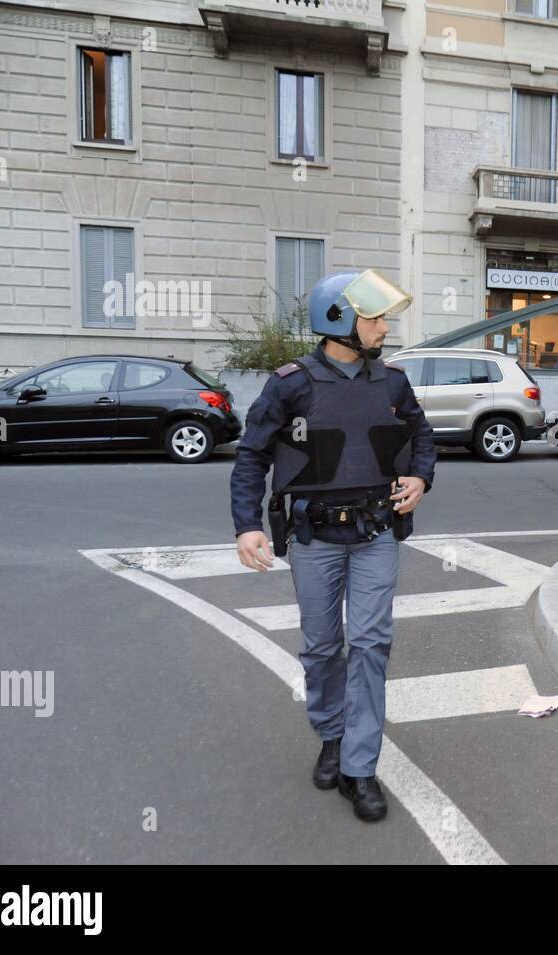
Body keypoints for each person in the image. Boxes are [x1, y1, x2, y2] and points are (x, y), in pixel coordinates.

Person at [230, 268, 435, 822]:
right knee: (322, 648)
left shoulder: (391, 381)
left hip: (375, 534)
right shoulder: (291, 383)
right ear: (339, 320)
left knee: (370, 644)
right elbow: (252, 455)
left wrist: (420, 477)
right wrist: (247, 525)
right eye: (374, 317)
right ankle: (330, 733)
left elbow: (421, 435)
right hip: (315, 537)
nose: (384, 326)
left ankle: (359, 767)